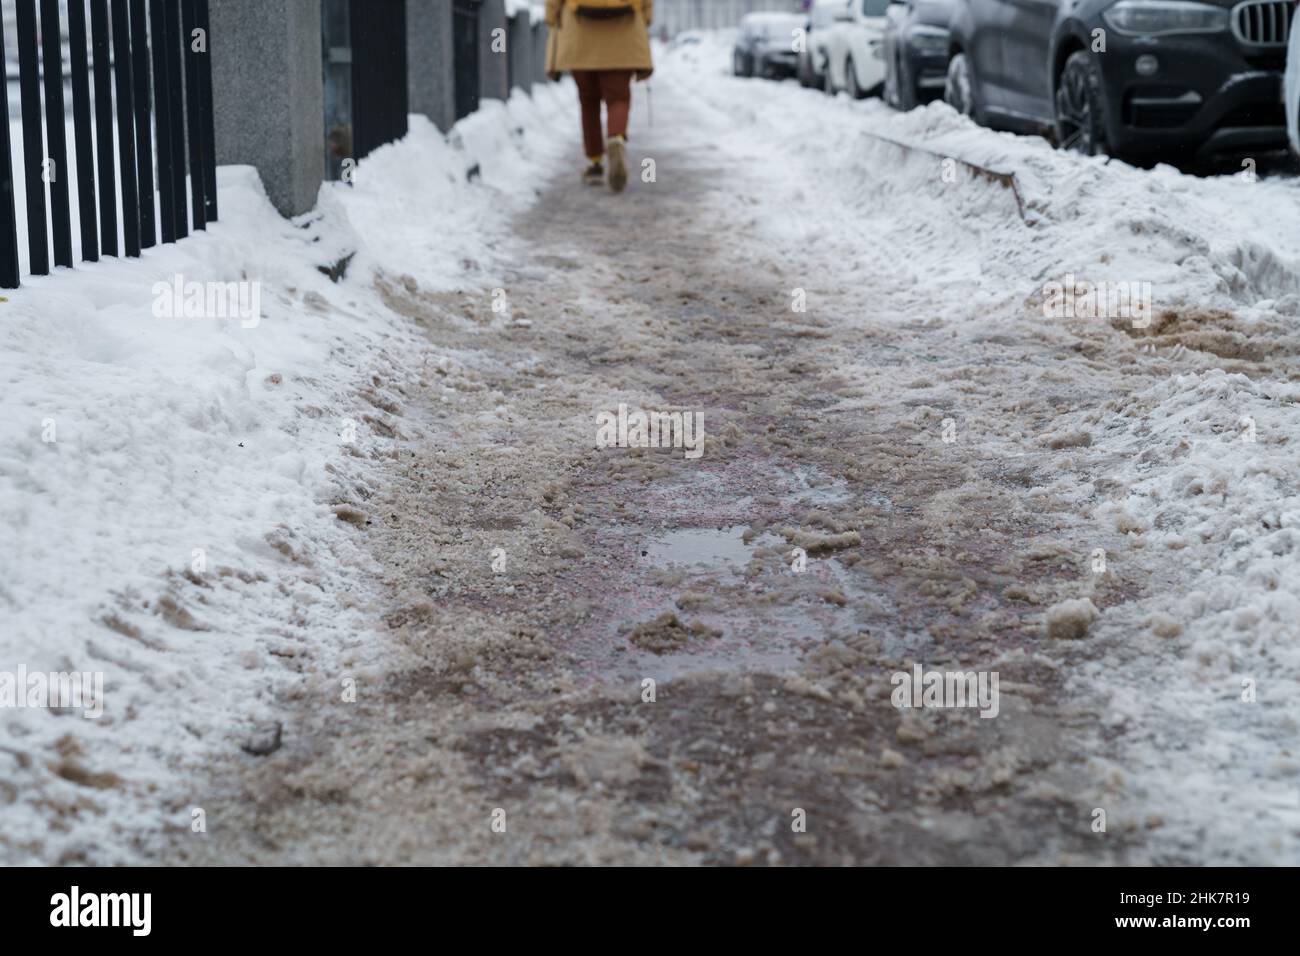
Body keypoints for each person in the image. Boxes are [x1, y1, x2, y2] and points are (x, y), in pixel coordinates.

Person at [544, 0, 654, 192]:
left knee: (588, 100)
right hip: (624, 28)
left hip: (579, 29)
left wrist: (551, 15)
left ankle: (595, 164)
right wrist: (646, 15)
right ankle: (616, 138)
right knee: (618, 97)